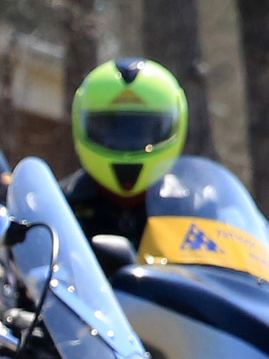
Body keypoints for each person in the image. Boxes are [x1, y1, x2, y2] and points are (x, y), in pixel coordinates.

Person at [58, 59, 188, 251]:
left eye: (142, 131)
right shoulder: (60, 205)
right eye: (111, 131)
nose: (127, 140)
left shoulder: (193, 208)